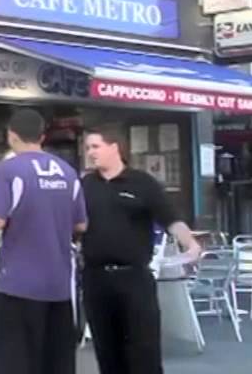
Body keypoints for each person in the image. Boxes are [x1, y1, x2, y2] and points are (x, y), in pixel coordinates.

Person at [0, 109, 88, 374]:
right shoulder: (67, 172)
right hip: (59, 287)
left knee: (15, 362)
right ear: (42, 136)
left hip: (18, 285)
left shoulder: (9, 170)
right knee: (57, 363)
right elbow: (81, 224)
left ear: (11, 135)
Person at [80, 128, 201, 374]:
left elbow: (170, 218)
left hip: (134, 279)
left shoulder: (142, 183)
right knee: (107, 353)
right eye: (88, 148)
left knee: (143, 352)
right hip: (96, 279)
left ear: (115, 147)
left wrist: (190, 242)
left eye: (95, 146)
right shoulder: (85, 186)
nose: (90, 152)